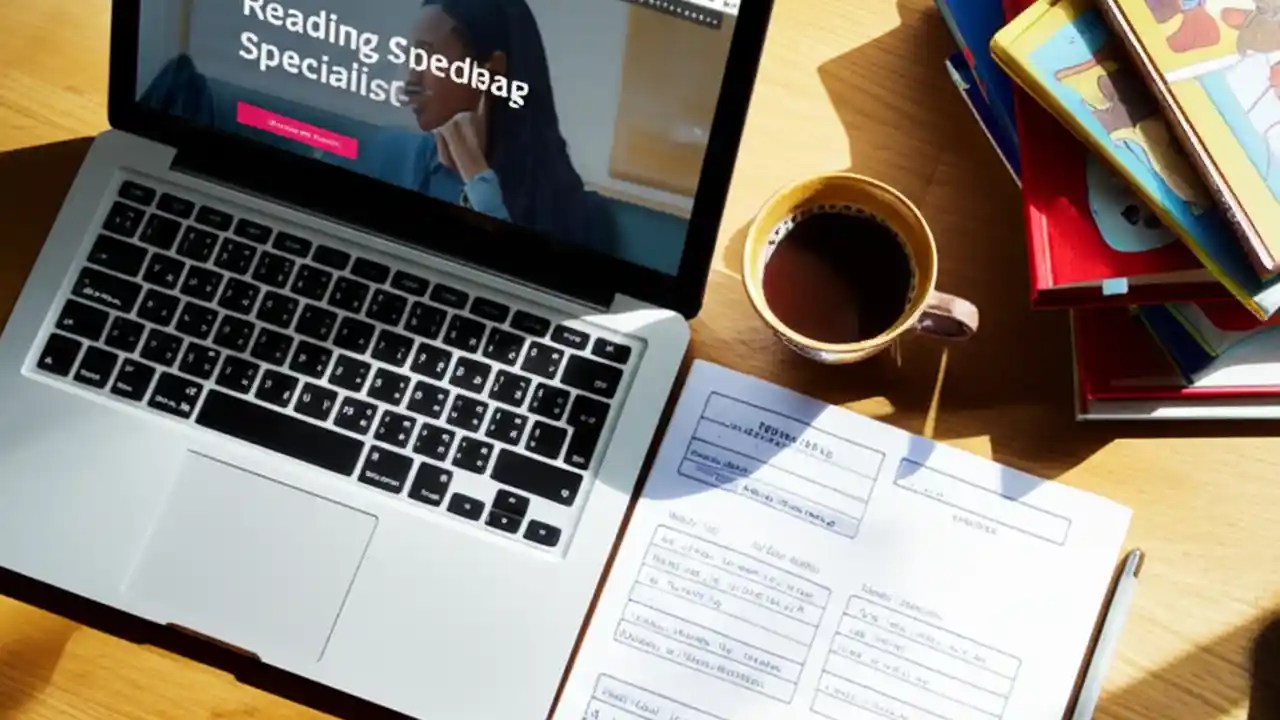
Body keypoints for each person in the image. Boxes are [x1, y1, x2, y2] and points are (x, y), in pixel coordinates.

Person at [361, 0, 610, 253]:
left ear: (490, 73)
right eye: (408, 57)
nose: (409, 82)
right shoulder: (387, 154)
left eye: (426, 58)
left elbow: (513, 288)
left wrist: (477, 179)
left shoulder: (577, 216)